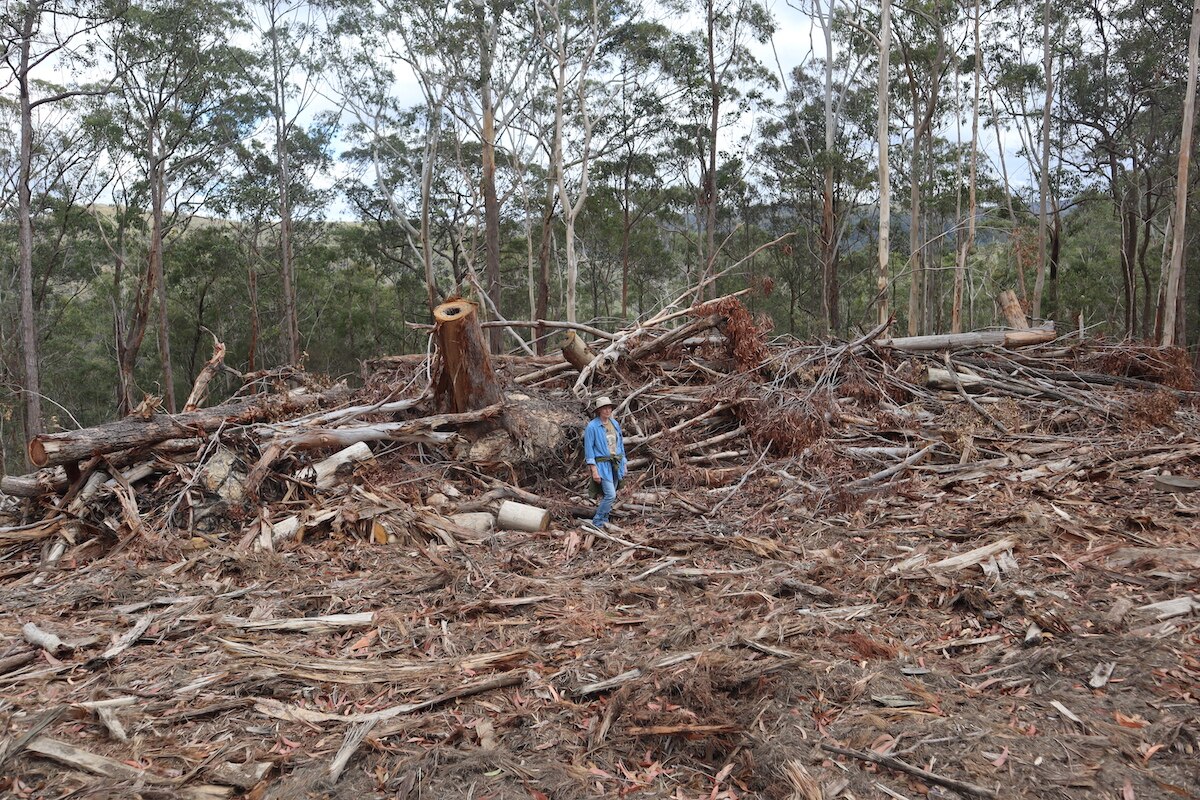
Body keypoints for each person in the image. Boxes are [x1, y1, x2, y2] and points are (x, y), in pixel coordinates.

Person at [584, 395, 626, 529]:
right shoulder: (592, 427)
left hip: (615, 463)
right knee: (610, 495)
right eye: (604, 409)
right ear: (599, 410)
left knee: (611, 492)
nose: (608, 411)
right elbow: (589, 450)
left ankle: (604, 519)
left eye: (609, 408)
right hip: (602, 465)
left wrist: (624, 462)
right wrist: (594, 470)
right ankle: (597, 521)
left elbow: (620, 445)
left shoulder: (614, 424)